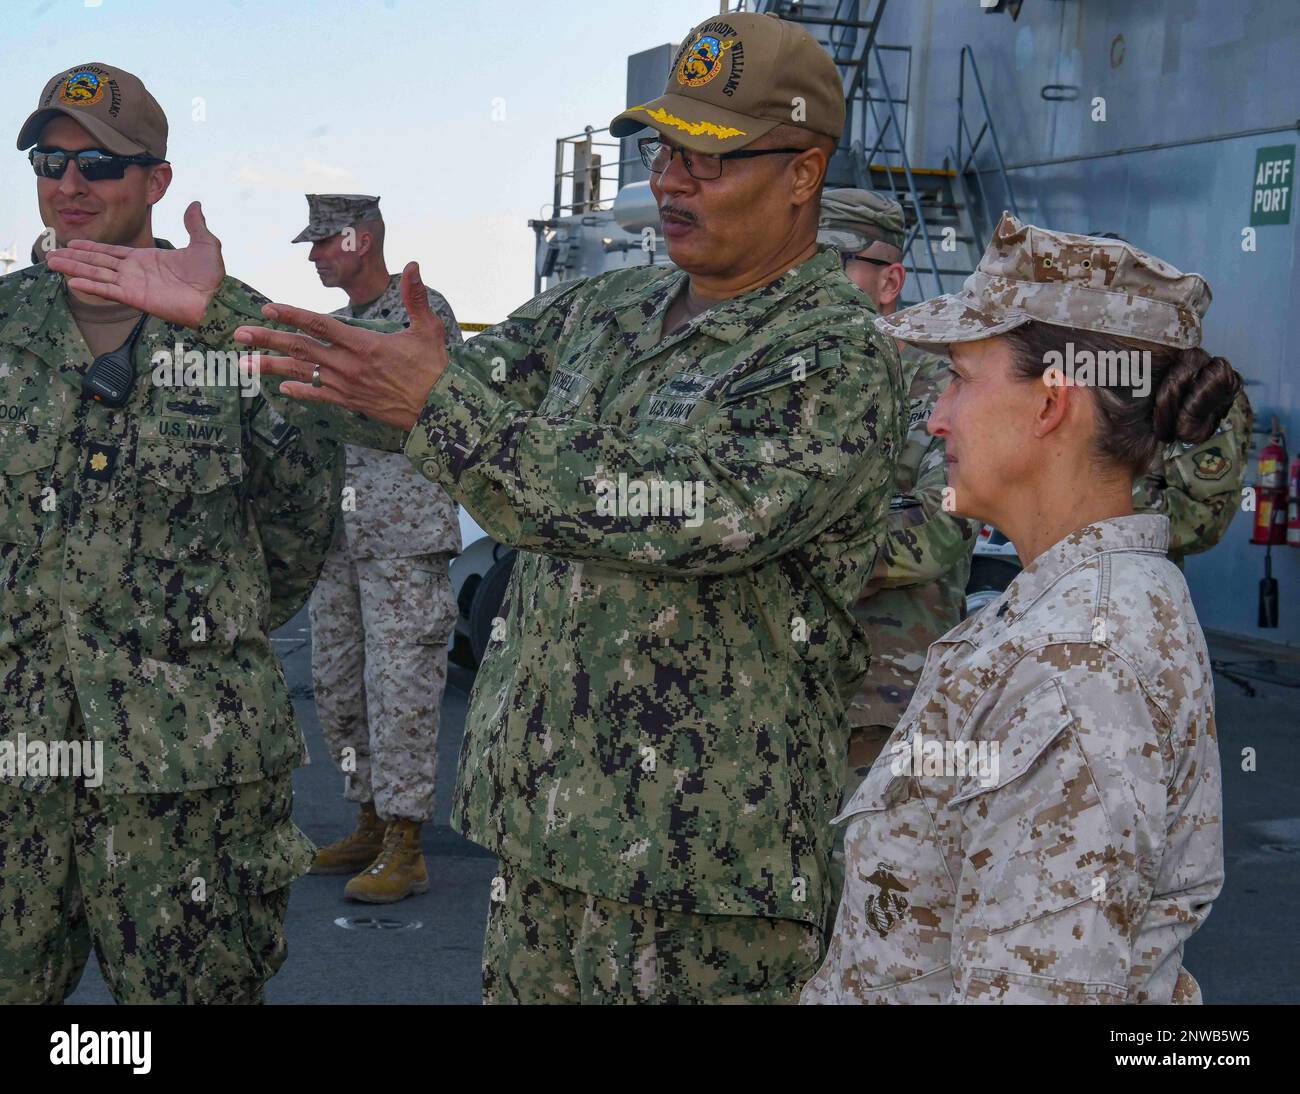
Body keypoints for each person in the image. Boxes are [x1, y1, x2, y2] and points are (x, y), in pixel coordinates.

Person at [54, 12, 907, 1003]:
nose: (670, 179)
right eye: (664, 149)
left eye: (708, 159)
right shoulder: (609, 308)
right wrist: (229, 308)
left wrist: (437, 405)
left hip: (704, 875)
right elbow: (407, 390)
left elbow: (670, 513)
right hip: (546, 834)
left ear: (802, 171)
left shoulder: (833, 358)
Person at [802, 213, 1235, 1004]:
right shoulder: (1069, 610)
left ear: (1049, 406)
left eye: (961, 377)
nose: (937, 416)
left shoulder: (1075, 666)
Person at [0, 63, 342, 1003]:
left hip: (188, 775)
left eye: (99, 165)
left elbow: (300, 518)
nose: (68, 185)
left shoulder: (236, 331)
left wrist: (176, 647)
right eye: (49, 159)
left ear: (156, 182)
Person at [293, 194, 463, 903]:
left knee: (402, 692)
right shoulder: (331, 328)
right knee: (338, 689)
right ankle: (366, 816)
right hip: (341, 541)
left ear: (361, 240)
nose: (314, 256)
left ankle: (405, 841)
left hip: (403, 538)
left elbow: (445, 408)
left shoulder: (421, 313)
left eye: (325, 243)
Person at [818, 188, 977, 805]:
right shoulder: (794, 376)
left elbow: (942, 526)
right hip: (778, 694)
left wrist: (792, 547)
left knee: (873, 886)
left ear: (890, 281)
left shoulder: (943, 380)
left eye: (833, 266)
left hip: (884, 699)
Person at [1087, 233, 1255, 563]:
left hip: (1129, 586)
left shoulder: (1191, 390)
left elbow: (1203, 519)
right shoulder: (1061, 374)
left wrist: (1093, 501)